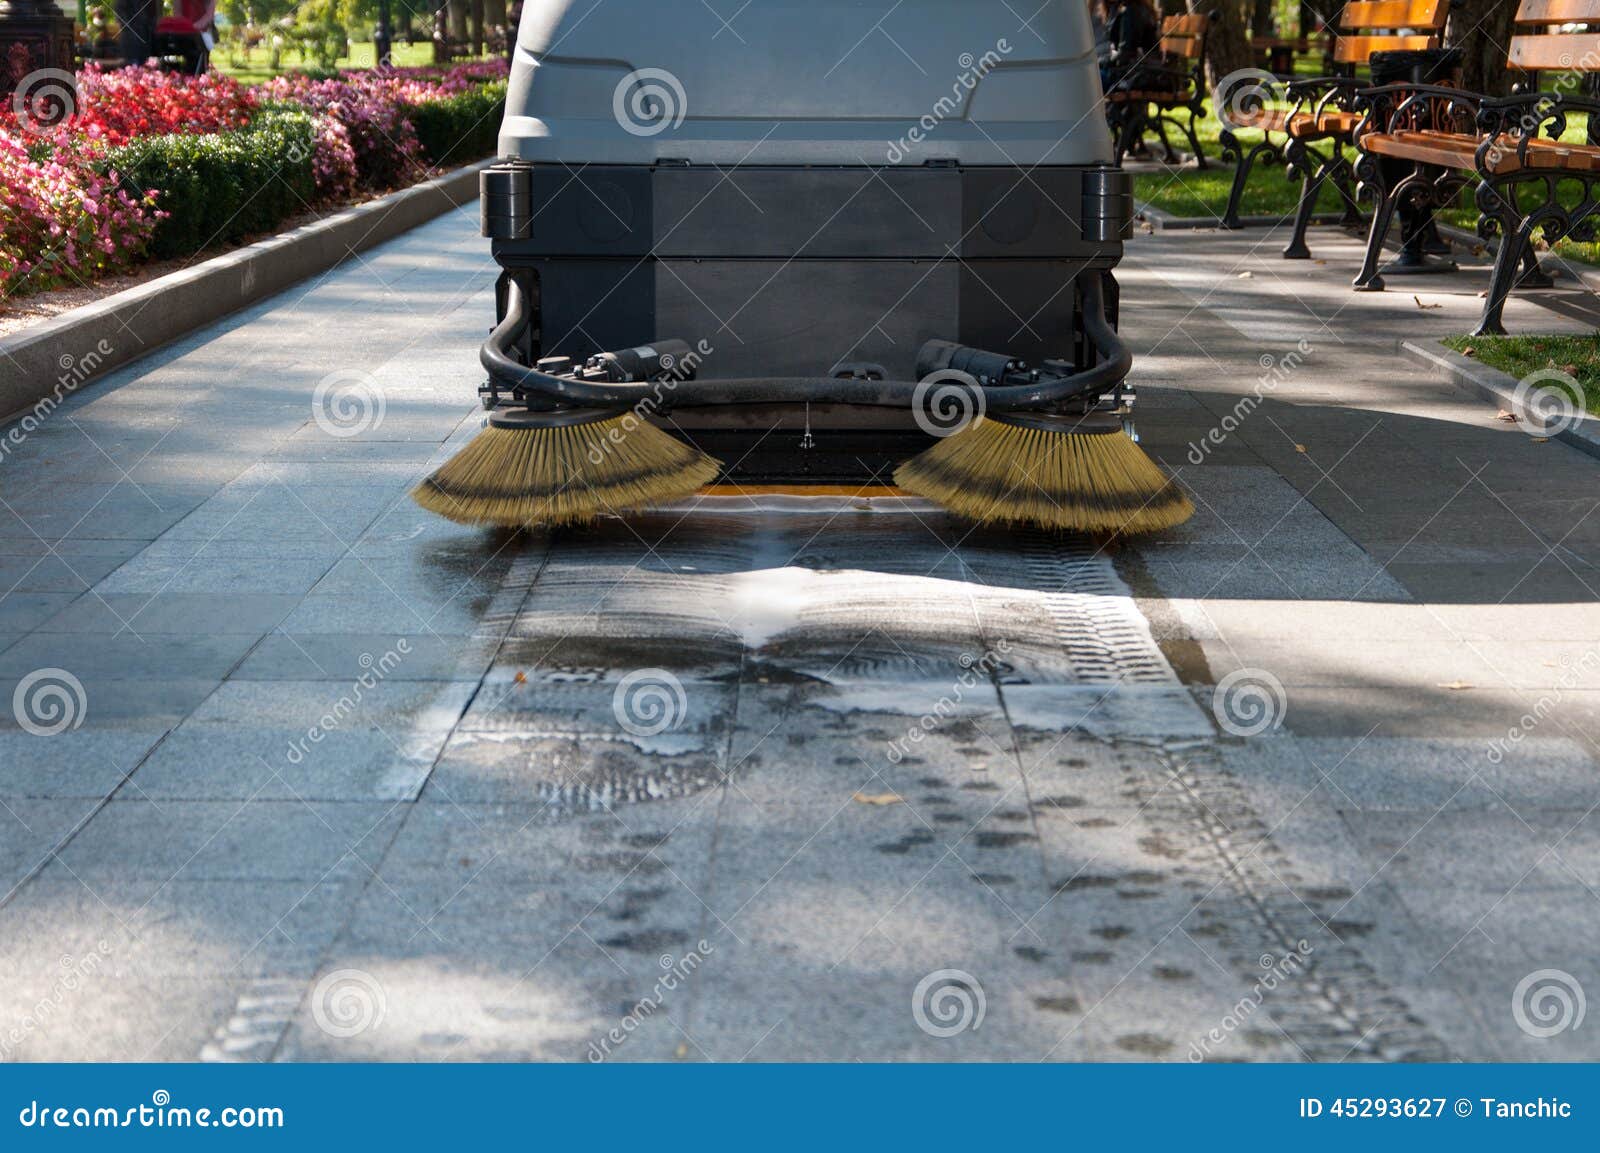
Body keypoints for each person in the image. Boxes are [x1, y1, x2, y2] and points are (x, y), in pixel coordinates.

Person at [1098, 0, 1161, 93]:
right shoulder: (1127, 8)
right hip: (1135, 72)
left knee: (1086, 80)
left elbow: (1125, 55)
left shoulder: (1131, 11)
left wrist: (1099, 63)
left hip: (1135, 74)